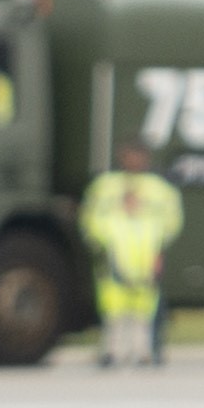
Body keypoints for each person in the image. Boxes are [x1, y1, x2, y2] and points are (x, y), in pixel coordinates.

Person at [78, 143, 181, 369]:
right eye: (129, 155)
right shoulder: (106, 186)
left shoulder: (159, 189)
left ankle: (144, 350)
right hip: (115, 255)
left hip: (145, 257)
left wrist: (160, 249)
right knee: (114, 308)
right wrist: (101, 244)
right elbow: (91, 218)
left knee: (144, 309)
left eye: (138, 155)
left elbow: (171, 221)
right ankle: (112, 350)